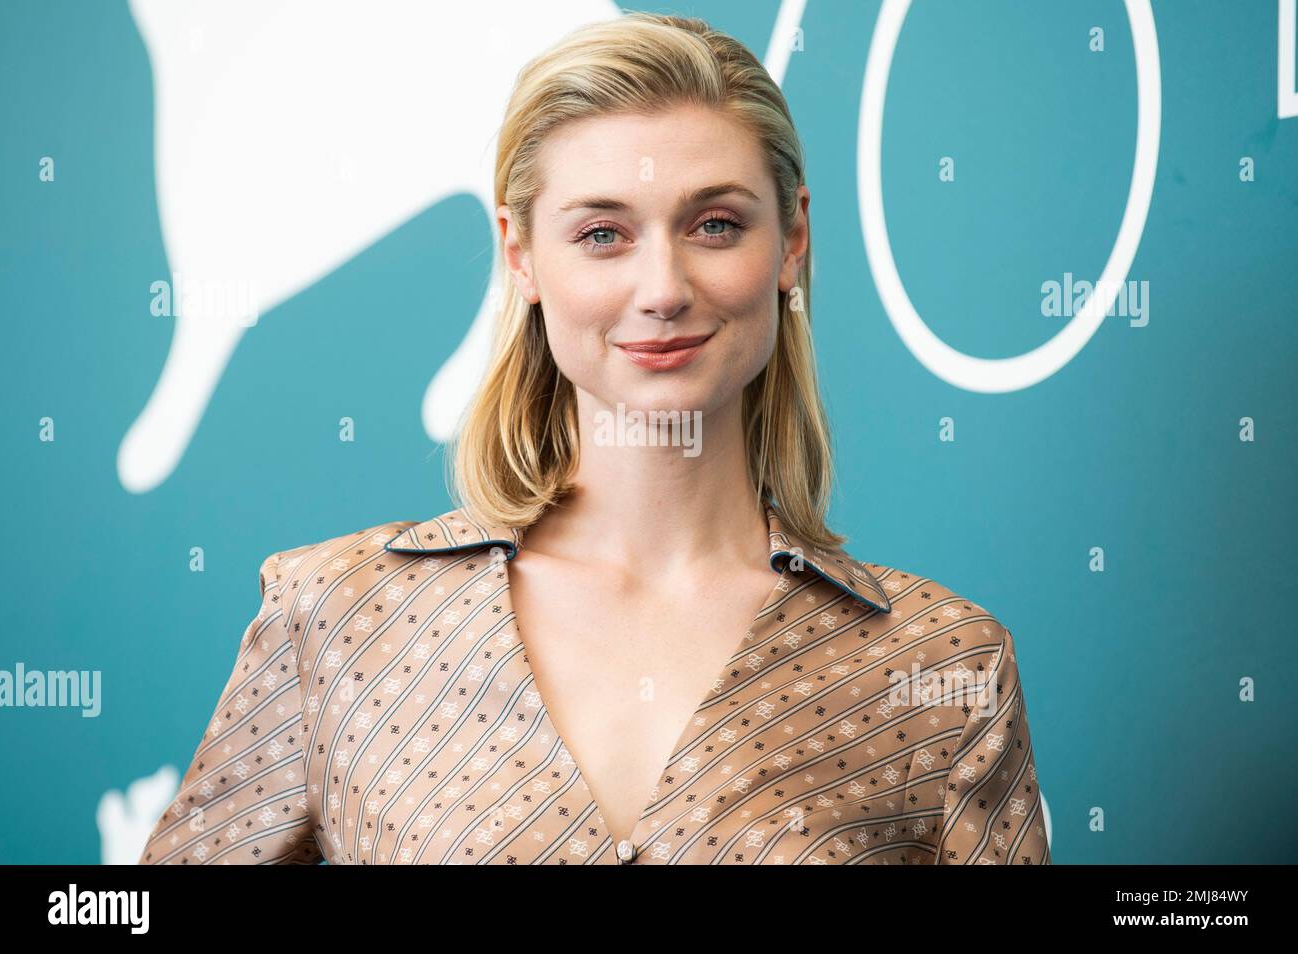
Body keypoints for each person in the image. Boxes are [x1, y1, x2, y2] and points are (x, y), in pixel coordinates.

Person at [138, 11, 1049, 865]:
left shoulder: (943, 667)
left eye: (716, 225)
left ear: (793, 239)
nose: (662, 287)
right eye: (604, 233)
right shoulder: (336, 618)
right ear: (521, 255)